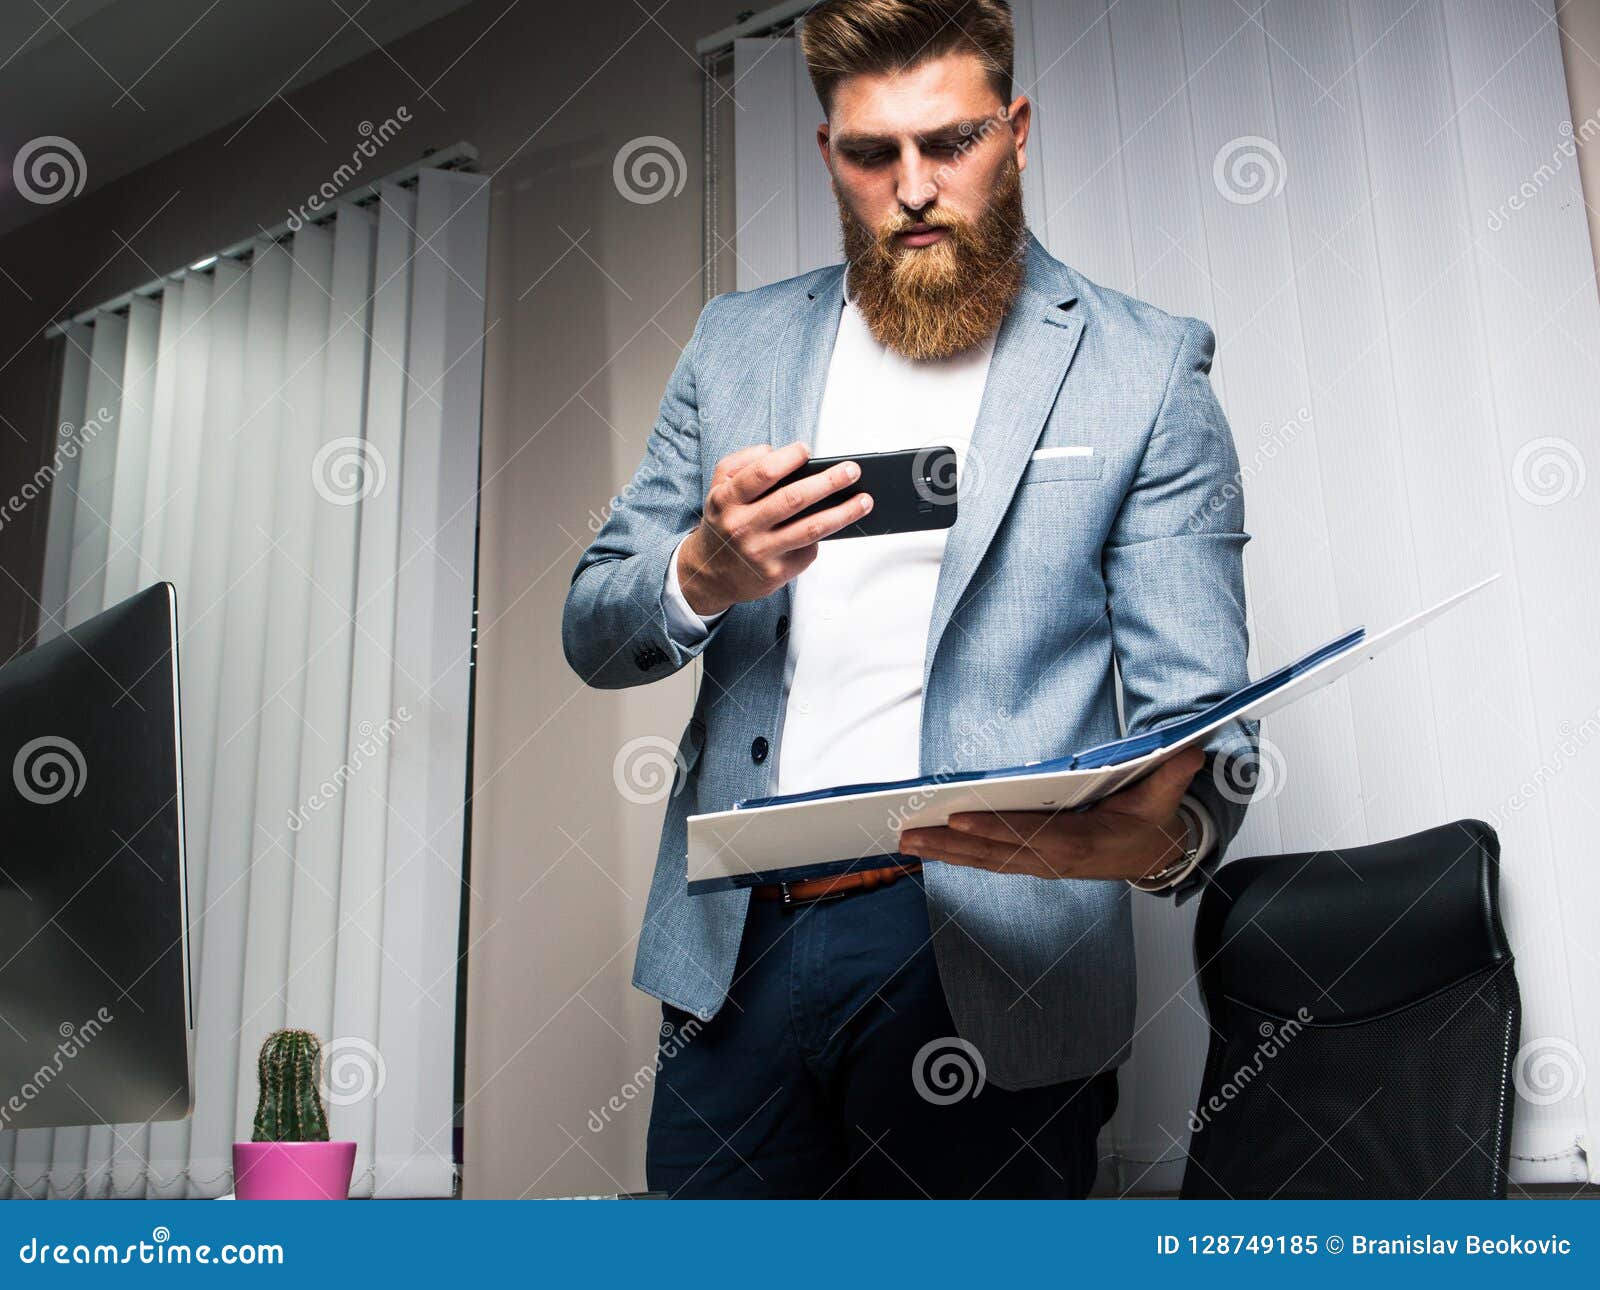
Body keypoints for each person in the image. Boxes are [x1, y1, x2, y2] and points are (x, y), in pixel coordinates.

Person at [562, 0, 1257, 1198]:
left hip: (994, 960)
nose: (916, 187)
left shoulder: (1143, 369)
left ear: (1016, 131)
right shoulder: (733, 345)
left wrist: (1164, 842)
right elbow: (595, 627)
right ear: (830, 153)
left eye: (950, 143)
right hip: (734, 955)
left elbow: (1204, 720)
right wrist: (702, 573)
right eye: (872, 154)